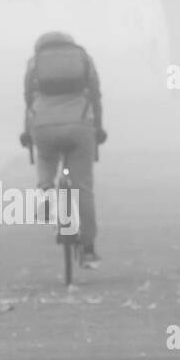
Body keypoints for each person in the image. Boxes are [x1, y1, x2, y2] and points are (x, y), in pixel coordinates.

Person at [19, 31, 107, 268]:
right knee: (83, 188)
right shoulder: (83, 59)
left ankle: (46, 189)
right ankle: (88, 249)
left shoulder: (35, 63)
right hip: (79, 125)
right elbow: (96, 96)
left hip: (43, 125)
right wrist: (98, 127)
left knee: (46, 158)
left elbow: (28, 101)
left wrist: (28, 133)